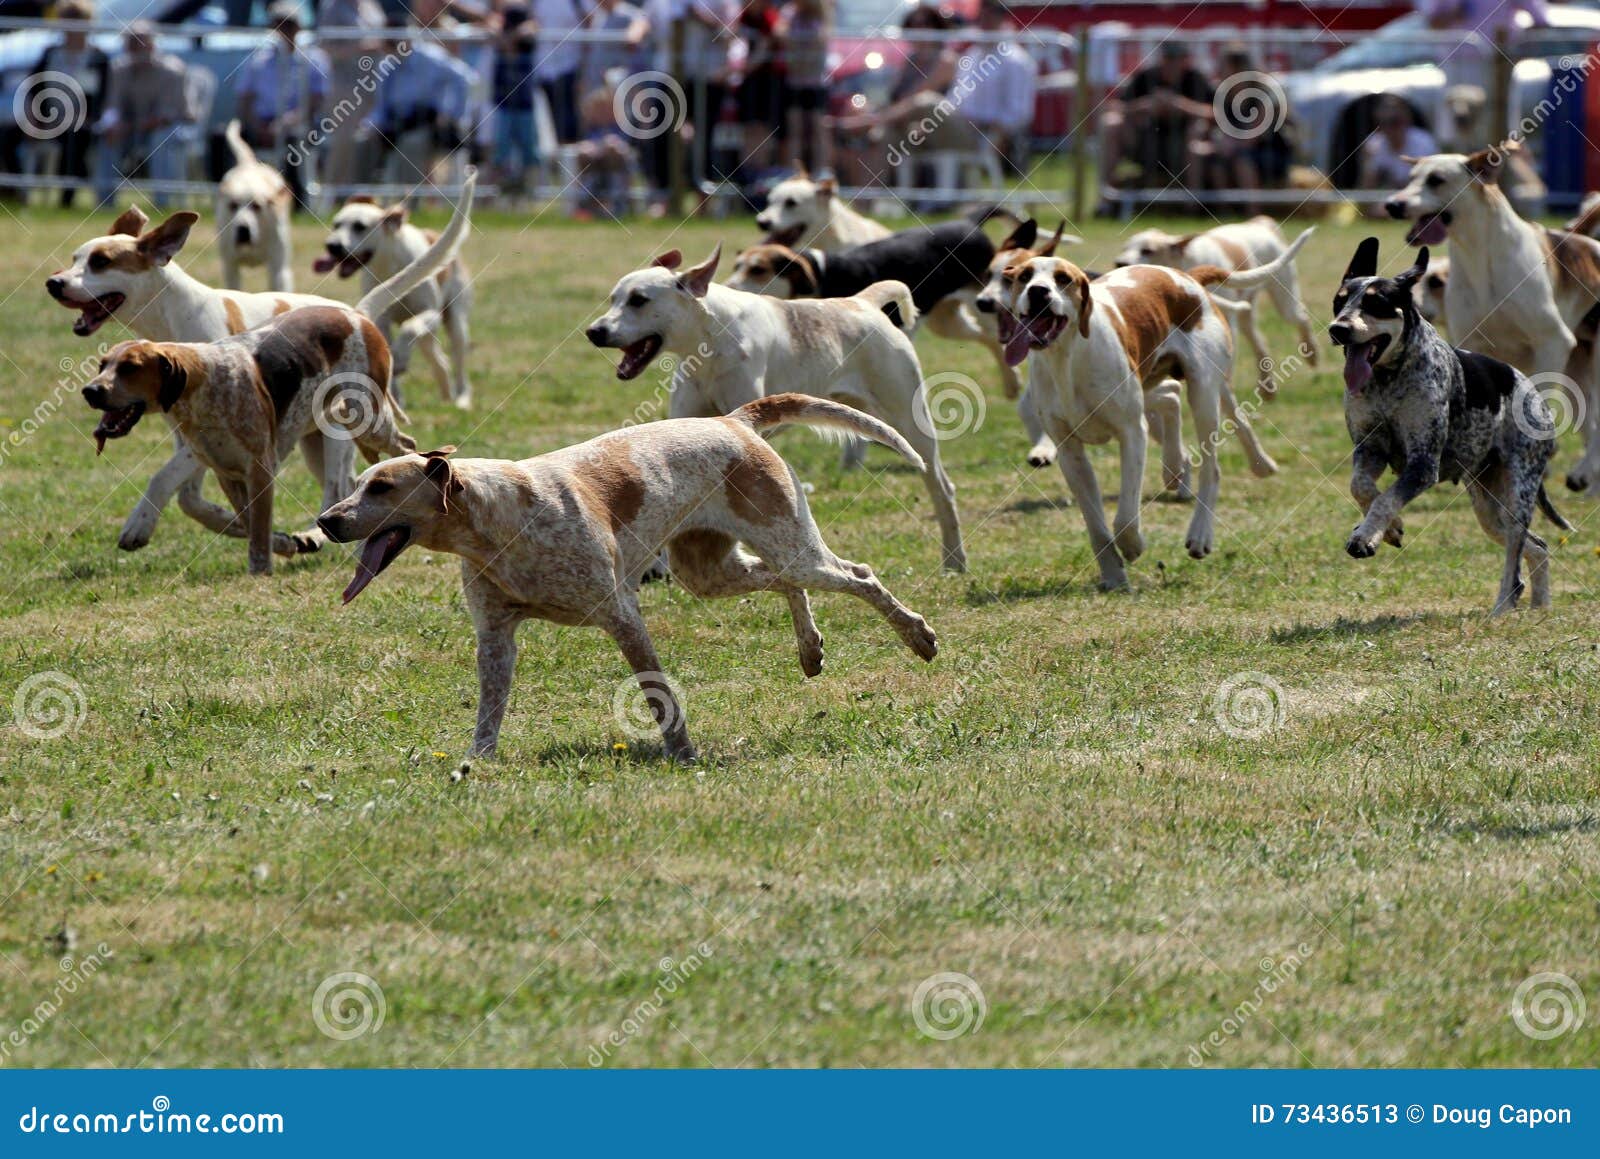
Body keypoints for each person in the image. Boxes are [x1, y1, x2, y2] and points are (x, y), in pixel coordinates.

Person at [235, 0, 331, 206]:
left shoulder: (314, 59)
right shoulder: (257, 60)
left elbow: (316, 100)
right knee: (226, 139)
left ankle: (296, 201)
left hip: (299, 124)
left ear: (299, 27)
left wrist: (286, 123)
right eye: (278, 24)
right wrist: (257, 126)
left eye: (289, 24)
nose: (283, 30)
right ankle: (239, 198)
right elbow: (245, 98)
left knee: (295, 142)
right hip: (261, 123)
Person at [21, 0, 111, 207]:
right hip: (46, 119)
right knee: (9, 137)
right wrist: (32, 118)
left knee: (74, 139)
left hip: (84, 122)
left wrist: (87, 117)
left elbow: (105, 95)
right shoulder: (50, 53)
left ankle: (66, 198)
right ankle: (14, 193)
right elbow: (33, 87)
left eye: (77, 22)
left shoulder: (98, 58)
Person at [96, 22, 195, 208]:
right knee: (108, 138)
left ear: (152, 44)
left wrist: (129, 127)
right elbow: (112, 106)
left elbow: (164, 117)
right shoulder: (119, 69)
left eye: (139, 42)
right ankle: (105, 202)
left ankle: (161, 202)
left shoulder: (172, 71)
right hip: (132, 130)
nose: (134, 47)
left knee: (160, 138)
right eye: (130, 43)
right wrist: (113, 126)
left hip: (171, 129)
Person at [364, 26, 479, 185]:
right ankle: (367, 197)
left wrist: (451, 114)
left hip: (428, 124)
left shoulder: (431, 57)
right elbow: (381, 105)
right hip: (397, 124)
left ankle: (410, 201)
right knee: (361, 143)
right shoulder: (386, 64)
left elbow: (465, 79)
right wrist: (370, 126)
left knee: (412, 143)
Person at [1100, 41, 1213, 190]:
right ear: (1161, 59)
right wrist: (1144, 106)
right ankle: (1106, 197)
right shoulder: (1146, 77)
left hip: (1184, 145)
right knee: (1111, 123)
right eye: (1169, 58)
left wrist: (1179, 105)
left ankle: (1192, 204)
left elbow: (1215, 112)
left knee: (1198, 127)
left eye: (1178, 59)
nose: (1173, 64)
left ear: (1186, 60)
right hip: (1144, 142)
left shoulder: (1196, 79)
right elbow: (1114, 106)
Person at [1193, 43, 1293, 210]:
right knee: (1218, 163)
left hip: (1271, 151)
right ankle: (1223, 213)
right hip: (1235, 149)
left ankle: (1254, 213)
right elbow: (1217, 125)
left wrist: (1216, 147)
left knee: (1242, 160)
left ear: (1238, 67)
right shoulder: (1223, 92)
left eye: (1224, 66)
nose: (1219, 70)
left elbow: (1252, 138)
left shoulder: (1266, 90)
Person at [316, 0, 390, 195]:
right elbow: (325, 46)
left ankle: (358, 194)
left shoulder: (371, 5)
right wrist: (361, 48)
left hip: (373, 85)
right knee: (343, 143)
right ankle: (331, 195)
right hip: (344, 87)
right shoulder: (332, 8)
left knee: (367, 142)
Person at [491, 4, 539, 193]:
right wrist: (510, 39)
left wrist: (514, 37)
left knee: (530, 149)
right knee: (500, 149)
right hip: (503, 102)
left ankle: (531, 191)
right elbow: (499, 37)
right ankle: (496, 192)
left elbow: (530, 30)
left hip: (525, 103)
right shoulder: (499, 33)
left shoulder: (528, 38)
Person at [780, 0, 831, 175]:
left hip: (815, 81)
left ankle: (821, 171)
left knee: (818, 127)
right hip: (795, 80)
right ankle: (793, 171)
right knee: (795, 129)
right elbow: (783, 36)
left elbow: (821, 40)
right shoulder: (790, 12)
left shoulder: (822, 13)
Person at [735, 0, 784, 177]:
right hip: (749, 82)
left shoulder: (769, 17)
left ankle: (761, 170)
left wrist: (742, 68)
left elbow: (767, 46)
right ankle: (748, 170)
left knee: (762, 128)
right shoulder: (745, 16)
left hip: (766, 81)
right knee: (749, 127)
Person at [572, 84, 634, 217]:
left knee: (612, 151)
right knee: (584, 153)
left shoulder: (621, 127)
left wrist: (606, 146)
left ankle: (616, 200)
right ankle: (585, 201)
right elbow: (585, 144)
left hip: (617, 162)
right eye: (598, 108)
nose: (602, 112)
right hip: (595, 162)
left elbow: (624, 146)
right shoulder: (591, 128)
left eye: (605, 107)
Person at [1360, 93, 1438, 196]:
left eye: (1395, 122)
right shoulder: (1372, 144)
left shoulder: (1424, 142)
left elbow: (1431, 183)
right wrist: (1368, 165)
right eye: (1384, 123)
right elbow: (1367, 189)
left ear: (1407, 120)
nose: (1390, 129)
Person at [533, 0, 586, 143]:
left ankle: (570, 161)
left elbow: (590, 21)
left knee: (569, 121)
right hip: (542, 68)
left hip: (571, 65)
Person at [580, 0, 651, 92]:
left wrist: (634, 35)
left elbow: (640, 26)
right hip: (596, 84)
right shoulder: (597, 16)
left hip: (620, 84)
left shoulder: (628, 12)